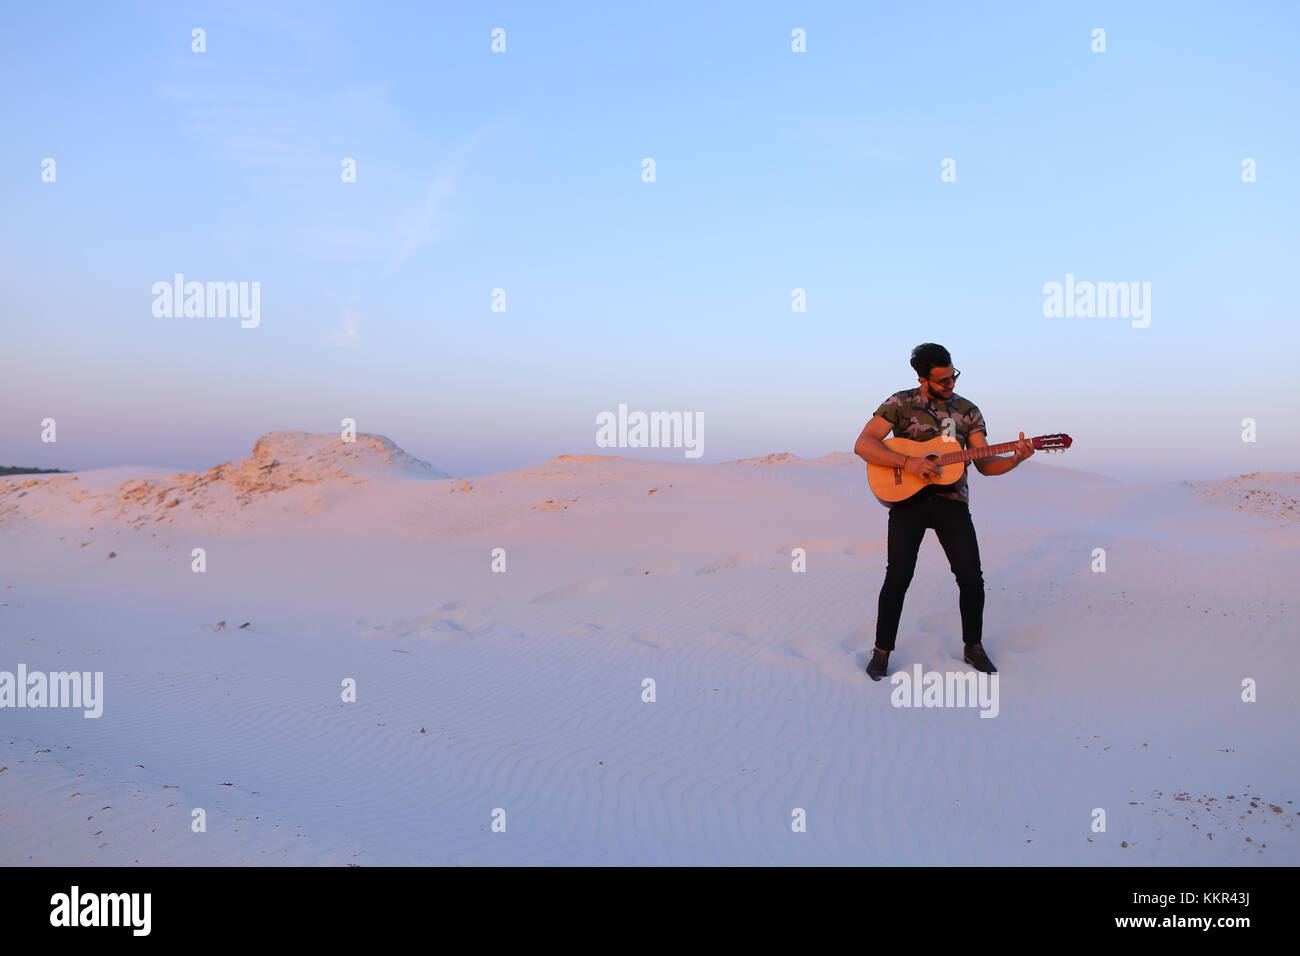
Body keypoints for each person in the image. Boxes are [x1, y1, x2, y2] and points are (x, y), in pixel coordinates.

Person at [852, 343, 1033, 681]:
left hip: (952, 502)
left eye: (953, 377)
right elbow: (864, 444)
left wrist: (1015, 458)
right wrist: (909, 462)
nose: (950, 385)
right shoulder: (900, 403)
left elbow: (984, 465)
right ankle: (881, 651)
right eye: (942, 381)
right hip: (908, 501)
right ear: (923, 379)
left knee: (970, 576)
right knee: (898, 577)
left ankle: (973, 646)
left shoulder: (968, 411)